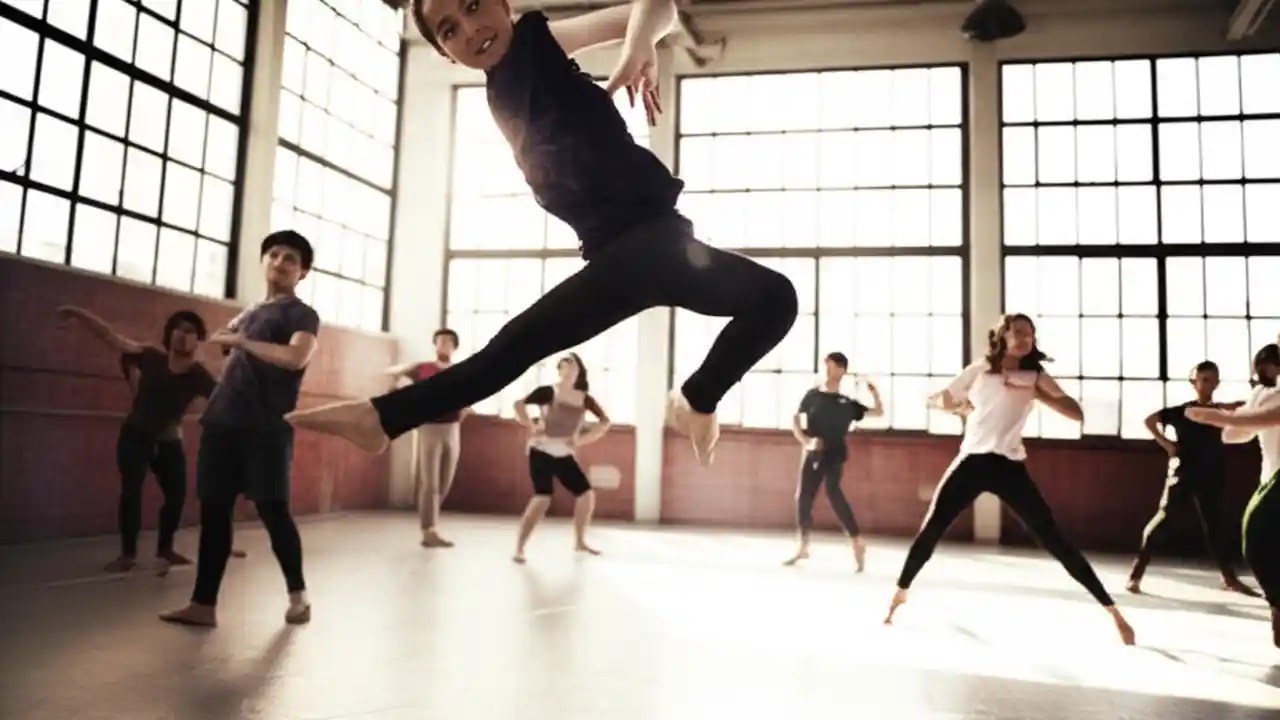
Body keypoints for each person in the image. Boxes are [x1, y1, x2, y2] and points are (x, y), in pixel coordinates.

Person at [283, 0, 798, 469]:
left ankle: (696, 400)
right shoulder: (503, 90)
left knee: (773, 299)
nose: (471, 28)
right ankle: (381, 419)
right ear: (444, 52)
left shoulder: (535, 43)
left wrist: (640, 42)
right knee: (511, 350)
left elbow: (658, 6)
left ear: (504, 5)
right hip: (629, 255)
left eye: (472, 6)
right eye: (449, 30)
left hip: (655, 245)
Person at [883, 313, 1136, 645]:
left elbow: (1075, 412)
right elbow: (947, 398)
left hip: (1008, 467)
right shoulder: (979, 371)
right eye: (1017, 332)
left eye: (1029, 334)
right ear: (1002, 335)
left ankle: (1112, 610)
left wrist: (1035, 391)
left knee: (1053, 538)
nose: (1023, 338)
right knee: (932, 527)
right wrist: (946, 403)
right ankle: (900, 592)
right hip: (971, 462)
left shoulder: (1035, 375)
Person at [160, 230, 320, 628]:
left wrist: (242, 342)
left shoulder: (300, 314)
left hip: (265, 429)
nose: (280, 262)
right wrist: (232, 340)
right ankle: (203, 605)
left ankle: (298, 597)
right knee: (214, 512)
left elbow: (296, 357)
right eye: (275, 255)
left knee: (273, 511)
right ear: (264, 260)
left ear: (302, 273)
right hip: (221, 425)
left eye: (290, 260)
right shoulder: (250, 312)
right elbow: (224, 342)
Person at [56, 306, 216, 572]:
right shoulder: (150, 356)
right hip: (136, 437)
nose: (182, 335)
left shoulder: (199, 375)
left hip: (168, 443)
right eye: (178, 329)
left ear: (197, 340)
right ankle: (127, 554)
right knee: (131, 493)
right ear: (170, 334)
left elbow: (224, 399)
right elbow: (111, 337)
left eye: (189, 331)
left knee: (176, 497)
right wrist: (77, 314)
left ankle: (165, 549)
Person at [1127, 360, 1257, 595]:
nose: (1207, 384)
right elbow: (1150, 420)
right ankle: (1136, 574)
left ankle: (1229, 578)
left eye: (1212, 380)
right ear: (1194, 382)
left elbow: (1245, 409)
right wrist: (1167, 444)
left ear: (1217, 383)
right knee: (1163, 518)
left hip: (1212, 473)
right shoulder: (1181, 411)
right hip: (1183, 472)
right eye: (1203, 379)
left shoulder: (1220, 411)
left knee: (1216, 525)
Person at [1187, 343, 1280, 646]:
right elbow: (1235, 434)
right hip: (1272, 482)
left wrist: (1220, 416)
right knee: (1258, 544)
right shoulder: (1265, 394)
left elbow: (1244, 424)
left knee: (1257, 539)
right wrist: (1235, 414)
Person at [783, 352, 883, 571]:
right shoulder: (812, 395)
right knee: (803, 496)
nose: (829, 369)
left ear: (842, 371)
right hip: (813, 451)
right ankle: (803, 545)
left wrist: (874, 393)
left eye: (835, 366)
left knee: (833, 491)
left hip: (835, 452)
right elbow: (795, 420)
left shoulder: (846, 403)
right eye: (827, 365)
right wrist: (806, 442)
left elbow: (878, 412)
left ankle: (857, 541)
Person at [511, 353, 611, 564]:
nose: (569, 369)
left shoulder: (584, 398)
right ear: (559, 370)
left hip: (564, 452)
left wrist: (580, 441)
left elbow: (605, 422)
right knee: (543, 497)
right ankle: (520, 548)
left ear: (579, 371)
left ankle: (580, 541)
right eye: (564, 366)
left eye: (572, 365)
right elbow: (519, 405)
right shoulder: (548, 391)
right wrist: (531, 425)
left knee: (586, 494)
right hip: (541, 450)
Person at [383, 328, 471, 548]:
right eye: (440, 341)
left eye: (449, 342)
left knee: (444, 482)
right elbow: (394, 382)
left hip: (452, 428)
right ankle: (428, 530)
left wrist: (463, 412)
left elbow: (472, 394)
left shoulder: (461, 370)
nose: (444, 345)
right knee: (429, 481)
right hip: (429, 427)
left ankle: (431, 522)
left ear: (454, 346)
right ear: (435, 344)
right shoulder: (423, 369)